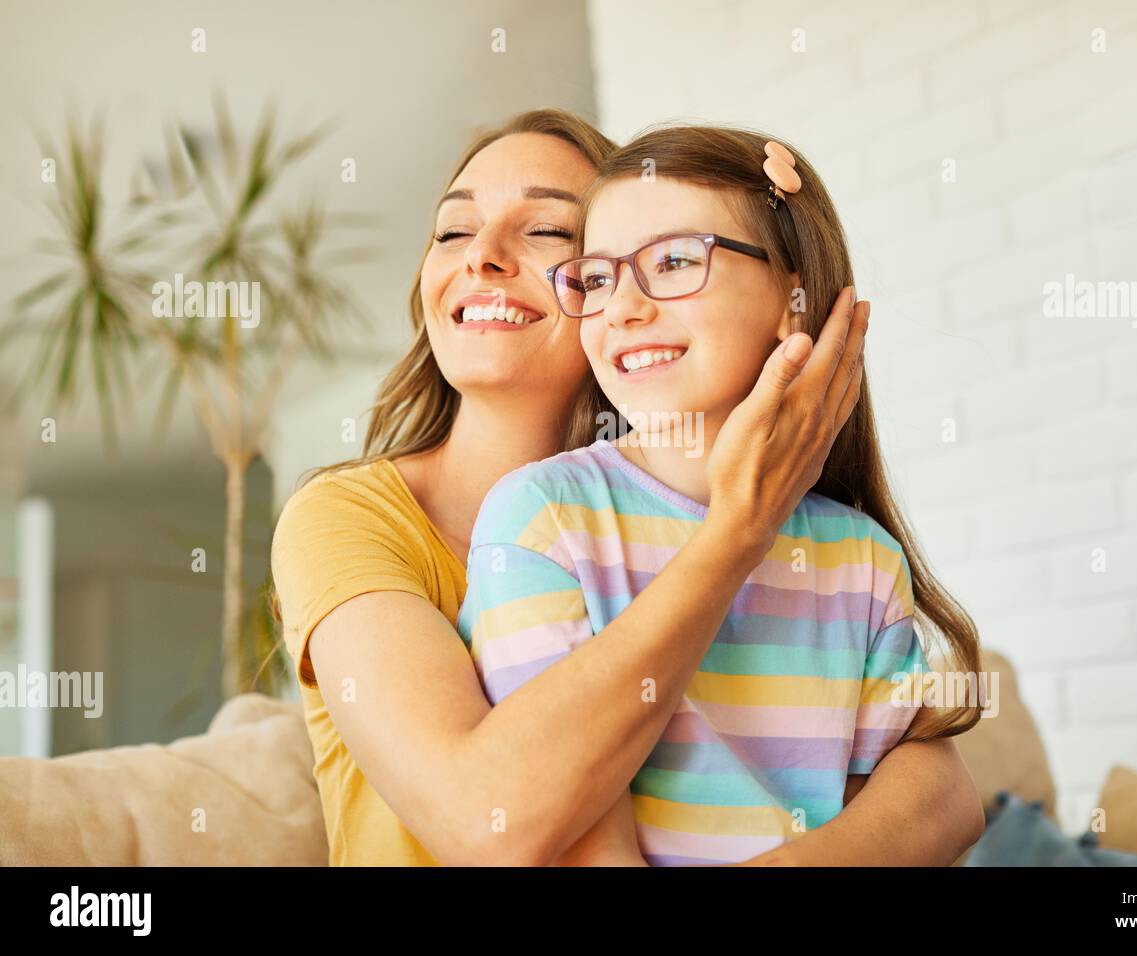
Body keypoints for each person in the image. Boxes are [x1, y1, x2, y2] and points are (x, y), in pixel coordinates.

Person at [270, 109, 985, 866]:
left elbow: (939, 796)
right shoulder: (374, 519)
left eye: (546, 231)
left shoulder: (843, 555)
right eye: (452, 231)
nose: (479, 255)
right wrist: (739, 530)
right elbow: (492, 821)